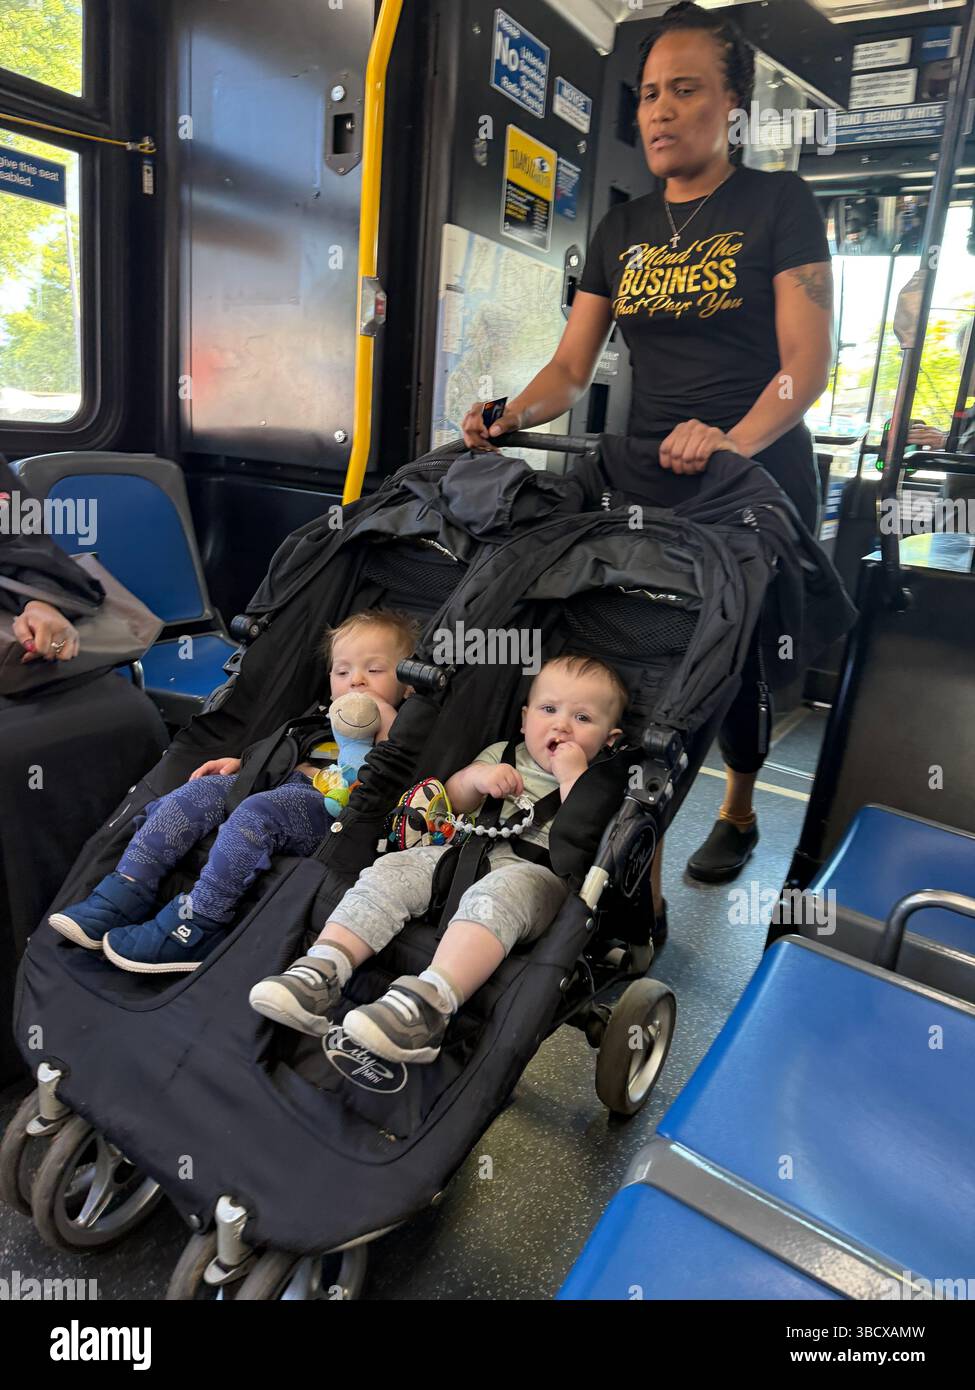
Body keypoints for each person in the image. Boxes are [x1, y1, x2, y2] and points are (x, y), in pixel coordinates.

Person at [461, 2, 833, 898]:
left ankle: (737, 807)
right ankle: (632, 845)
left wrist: (729, 441)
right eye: (651, 95)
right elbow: (567, 366)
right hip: (643, 476)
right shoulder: (622, 229)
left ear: (731, 104)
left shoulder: (776, 202)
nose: (661, 111)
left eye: (687, 91)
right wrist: (509, 412)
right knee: (630, 647)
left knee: (726, 655)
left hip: (751, 472)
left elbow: (806, 365)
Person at [249, 654, 627, 1064]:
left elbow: (587, 839)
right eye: (548, 710)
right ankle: (322, 968)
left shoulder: (603, 781)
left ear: (609, 739)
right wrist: (476, 779)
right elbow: (453, 797)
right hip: (461, 854)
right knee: (391, 871)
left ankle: (430, 1004)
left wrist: (573, 778)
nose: (561, 725)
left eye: (583, 718)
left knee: (499, 894)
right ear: (524, 718)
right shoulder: (502, 752)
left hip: (536, 878)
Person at [48, 609, 418, 973]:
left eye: (374, 670)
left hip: (328, 809)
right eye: (342, 671)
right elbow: (283, 748)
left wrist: (391, 724)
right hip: (277, 781)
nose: (355, 681)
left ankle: (200, 923)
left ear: (408, 685)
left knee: (258, 813)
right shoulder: (319, 719)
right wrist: (243, 764)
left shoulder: (403, 731)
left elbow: (393, 778)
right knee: (196, 793)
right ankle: (127, 888)